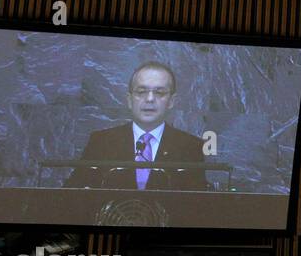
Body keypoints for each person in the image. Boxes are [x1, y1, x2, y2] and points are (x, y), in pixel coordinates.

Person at [66, 64, 208, 192]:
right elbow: (73, 194)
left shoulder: (190, 146)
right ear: (129, 99)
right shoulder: (101, 141)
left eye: (159, 93)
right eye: (141, 92)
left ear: (171, 101)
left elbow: (195, 207)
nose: (150, 99)